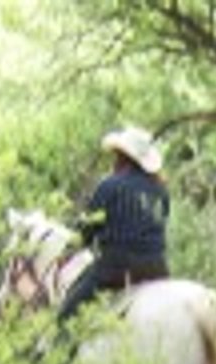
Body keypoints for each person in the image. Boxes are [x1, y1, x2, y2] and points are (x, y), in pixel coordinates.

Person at [57, 125, 171, 323]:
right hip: (157, 267)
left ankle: (62, 350)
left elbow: (87, 231)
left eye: (116, 155)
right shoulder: (161, 192)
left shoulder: (110, 185)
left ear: (123, 157)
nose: (114, 161)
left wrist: (70, 246)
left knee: (67, 312)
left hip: (117, 268)